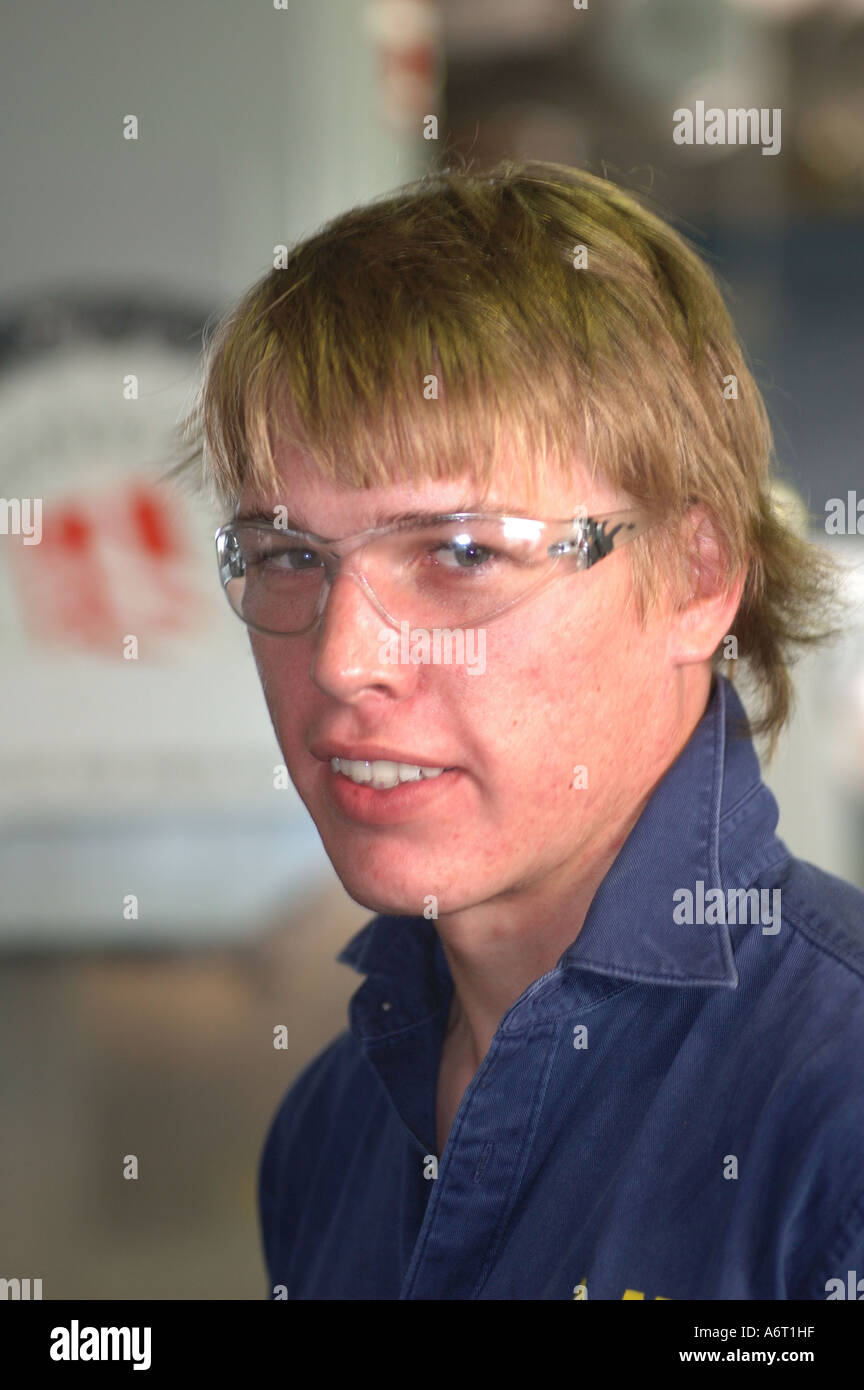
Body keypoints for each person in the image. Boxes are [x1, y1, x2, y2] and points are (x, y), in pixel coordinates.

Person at [179, 160, 864, 1300]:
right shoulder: (332, 1130)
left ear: (698, 578)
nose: (344, 661)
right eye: (291, 556)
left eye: (459, 553)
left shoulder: (834, 1122)